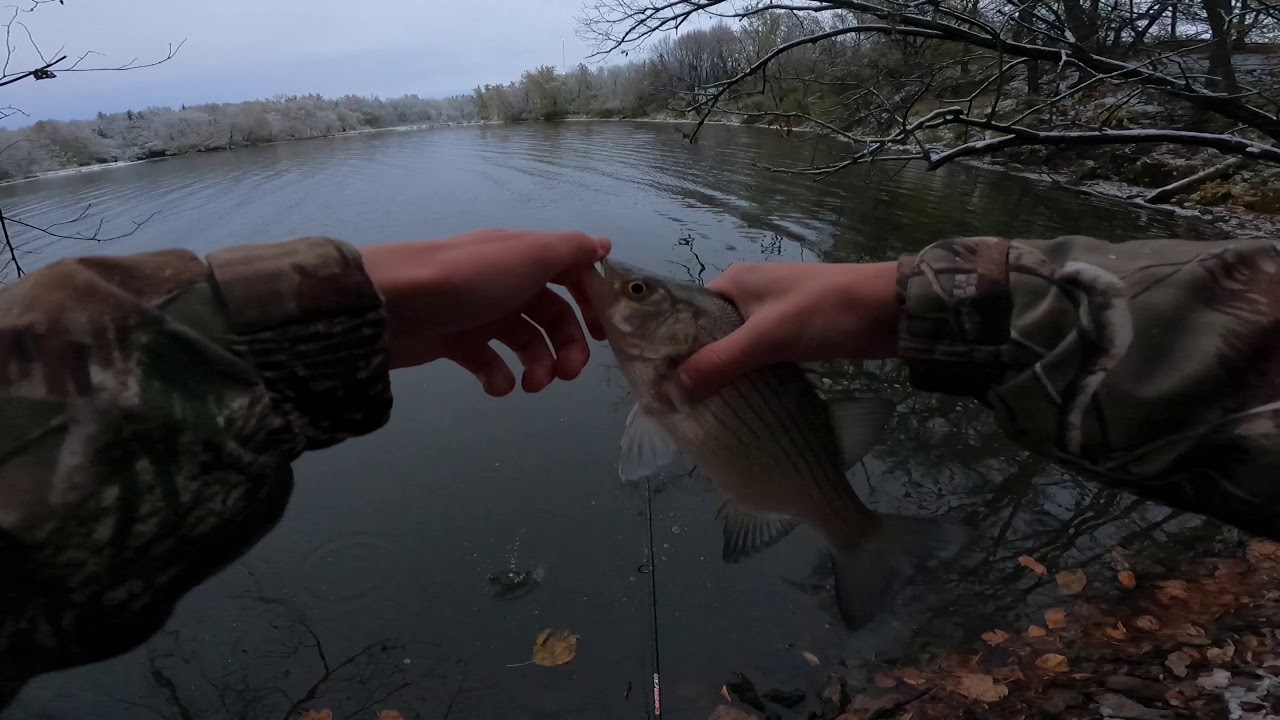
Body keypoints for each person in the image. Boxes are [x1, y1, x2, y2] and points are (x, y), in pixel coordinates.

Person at [1, 229, 1277, 703]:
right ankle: (864, 543)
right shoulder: (656, 361)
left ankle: (863, 543)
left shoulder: (672, 370)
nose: (624, 294)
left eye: (645, 292)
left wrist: (291, 319)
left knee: (804, 496)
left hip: (777, 462)